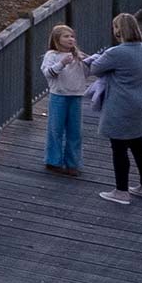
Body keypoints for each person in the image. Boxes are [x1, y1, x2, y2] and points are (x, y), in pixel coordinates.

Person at [90, 13, 142, 205]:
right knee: (139, 146)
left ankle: (121, 191)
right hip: (140, 105)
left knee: (119, 149)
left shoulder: (117, 52)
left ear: (119, 30)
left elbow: (95, 68)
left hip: (120, 107)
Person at [41, 24, 90, 174]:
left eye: (72, 36)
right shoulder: (52, 55)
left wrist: (87, 62)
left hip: (76, 95)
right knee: (56, 129)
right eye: (66, 36)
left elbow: (88, 72)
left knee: (75, 131)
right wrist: (62, 64)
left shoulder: (77, 55)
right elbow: (48, 73)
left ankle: (72, 163)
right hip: (59, 95)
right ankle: (53, 160)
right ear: (57, 39)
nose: (70, 39)